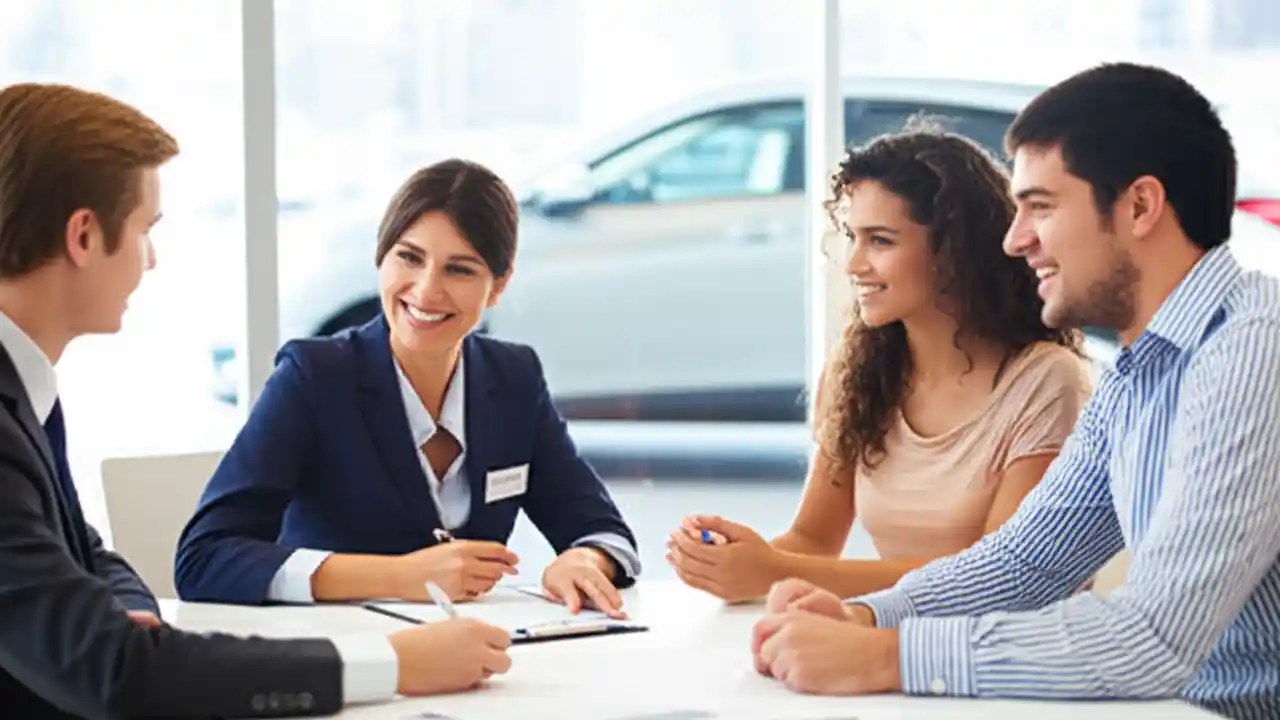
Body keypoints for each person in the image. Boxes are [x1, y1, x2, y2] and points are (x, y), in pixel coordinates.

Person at [751, 62, 1280, 720]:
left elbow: (1152, 641)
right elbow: (1023, 563)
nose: (1013, 238)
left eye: (1041, 206)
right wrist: (864, 617)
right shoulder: (1139, 373)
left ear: (1140, 206)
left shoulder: (1256, 348)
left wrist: (887, 658)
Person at [0, 82, 511, 718]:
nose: (151, 259)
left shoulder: (23, 392)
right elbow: (115, 670)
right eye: (144, 230)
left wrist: (128, 619)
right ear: (82, 236)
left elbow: (87, 556)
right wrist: (397, 663)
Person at [175, 158, 640, 618]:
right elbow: (204, 558)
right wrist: (400, 577)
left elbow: (604, 531)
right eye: (409, 257)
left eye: (459, 269)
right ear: (381, 257)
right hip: (340, 660)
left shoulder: (514, 377)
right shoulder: (315, 376)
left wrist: (583, 560)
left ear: (498, 286)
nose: (426, 290)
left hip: (474, 656)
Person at [667, 124, 1090, 603]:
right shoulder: (858, 372)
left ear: (953, 253)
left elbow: (995, 576)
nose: (853, 264)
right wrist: (733, 561)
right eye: (853, 237)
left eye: (880, 241)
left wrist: (772, 572)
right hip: (887, 640)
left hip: (1004, 657)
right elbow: (812, 542)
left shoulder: (1046, 381)